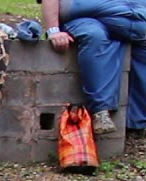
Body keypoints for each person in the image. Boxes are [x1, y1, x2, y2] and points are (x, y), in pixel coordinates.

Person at [41, 0, 146, 134]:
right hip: (87, 15)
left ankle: (137, 122)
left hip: (132, 15)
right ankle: (101, 111)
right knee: (95, 35)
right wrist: (53, 30)